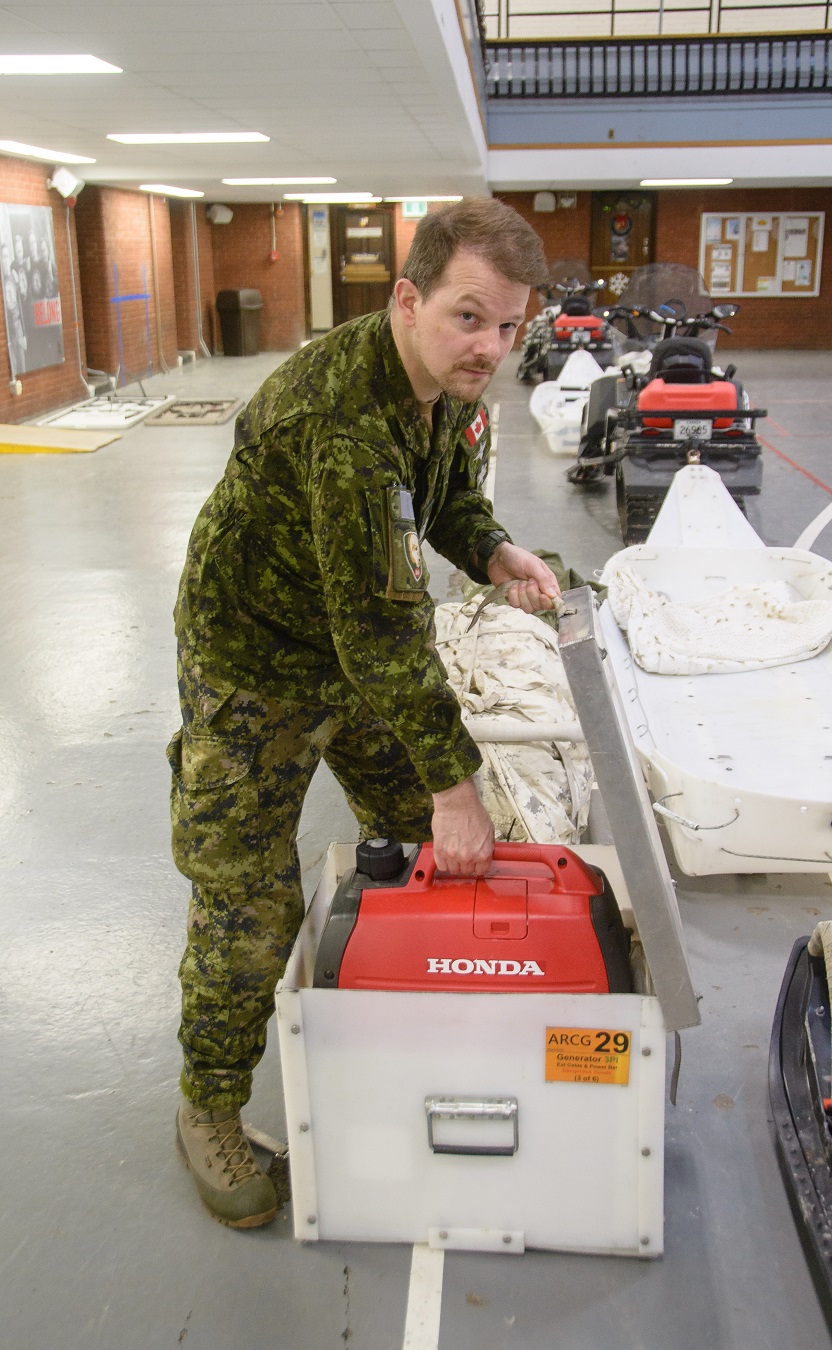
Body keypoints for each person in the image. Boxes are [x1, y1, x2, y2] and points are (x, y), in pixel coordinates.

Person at [168, 197, 561, 1228]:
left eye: (512, 325)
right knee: (251, 905)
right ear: (407, 297)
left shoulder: (449, 389)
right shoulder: (337, 421)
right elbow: (382, 639)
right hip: (253, 661)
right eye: (470, 317)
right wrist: (456, 788)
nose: (492, 346)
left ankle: (413, 1025)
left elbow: (444, 499)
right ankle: (206, 1106)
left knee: (424, 838)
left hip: (350, 650)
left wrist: (493, 549)